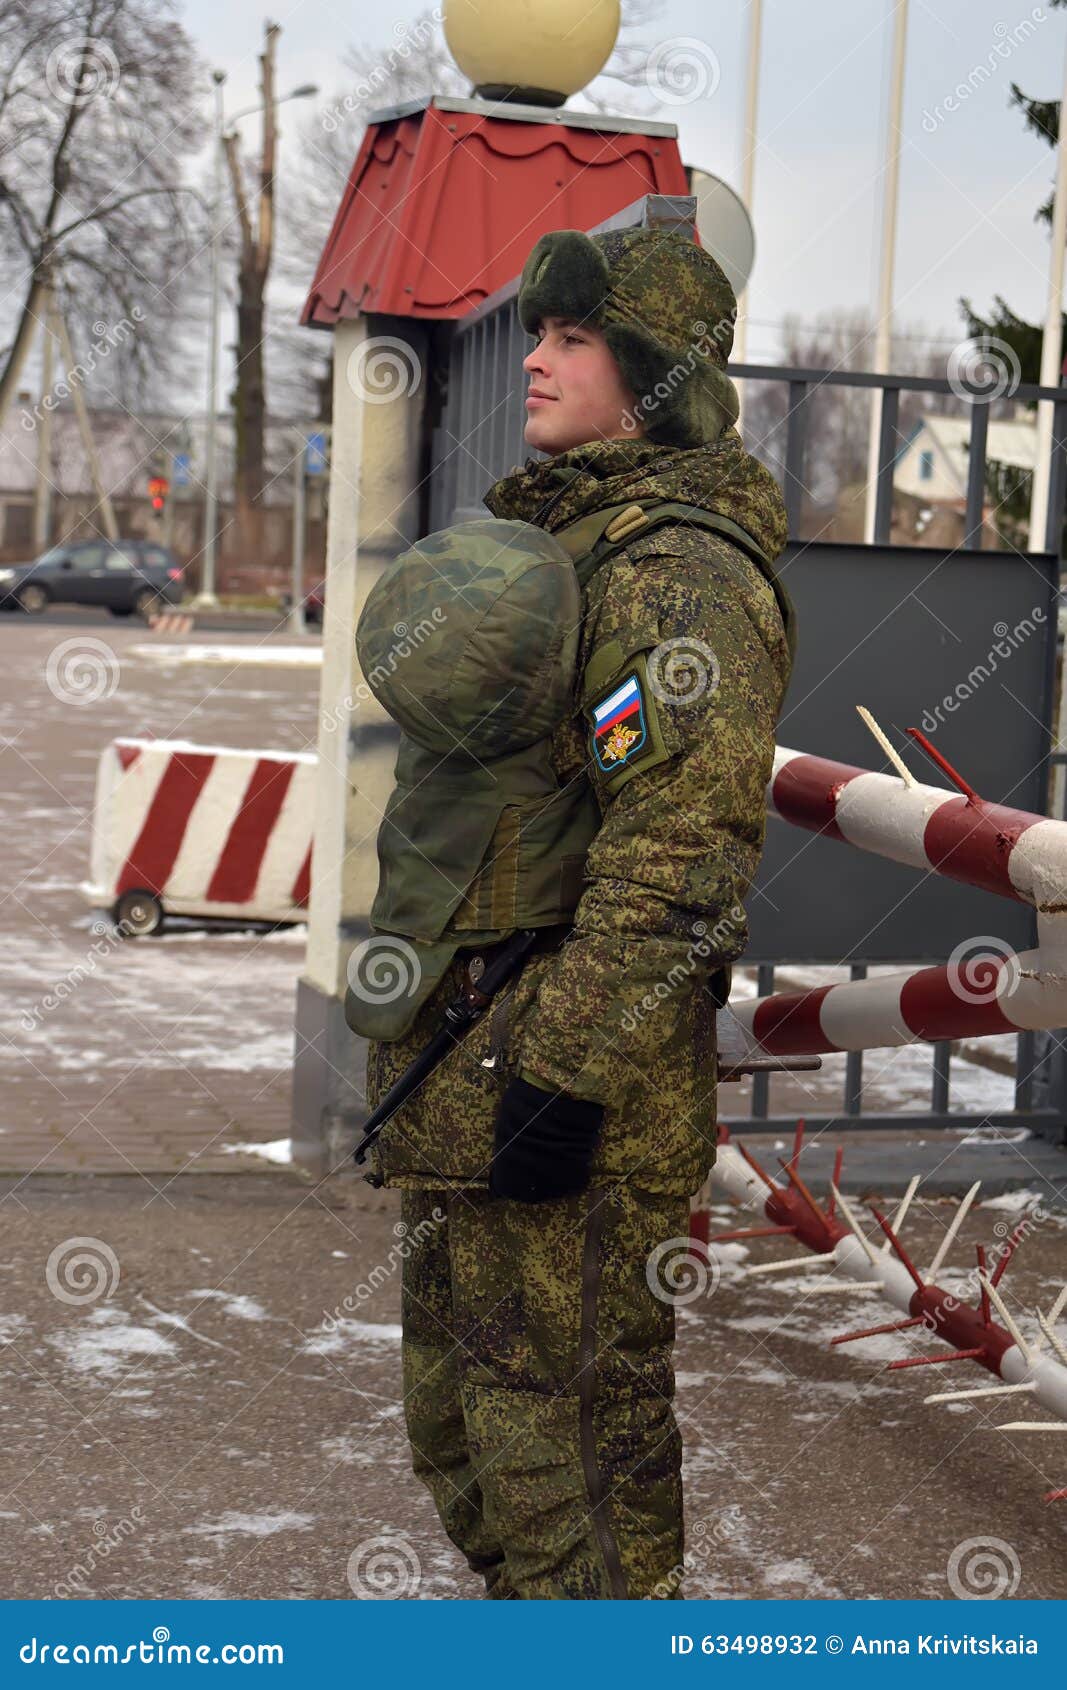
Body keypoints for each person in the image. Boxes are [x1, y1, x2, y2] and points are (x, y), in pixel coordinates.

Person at [349, 226, 797, 1599]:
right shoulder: (576, 536)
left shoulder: (680, 577)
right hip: (468, 1073)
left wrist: (563, 1074)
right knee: (467, 1439)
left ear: (656, 375)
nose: (534, 358)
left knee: (573, 1477)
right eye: (539, 331)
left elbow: (679, 854)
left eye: (575, 338)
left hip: (567, 1102)